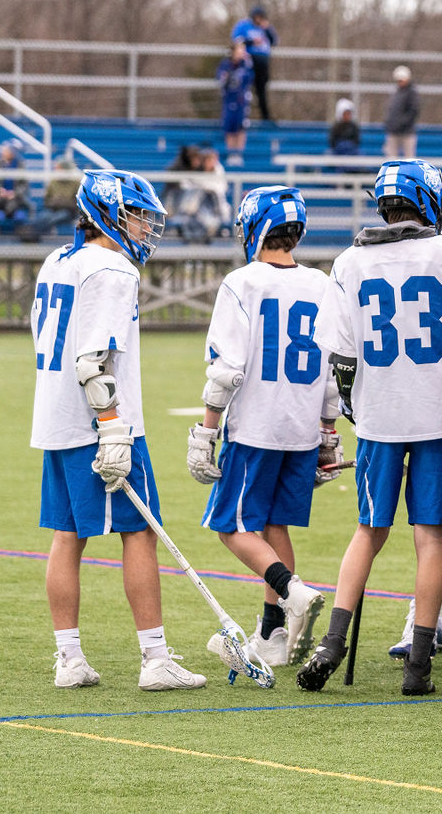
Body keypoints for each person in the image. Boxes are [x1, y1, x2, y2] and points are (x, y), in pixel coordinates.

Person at [298, 159, 442, 697]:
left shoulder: (348, 262)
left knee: (368, 530)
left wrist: (353, 405)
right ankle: (419, 662)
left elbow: (340, 355)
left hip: (378, 414)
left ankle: (332, 645)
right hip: (440, 414)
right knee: (430, 534)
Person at [32, 169, 206, 691]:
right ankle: (155, 659)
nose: (144, 226)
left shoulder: (57, 259)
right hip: (100, 422)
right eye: (136, 215)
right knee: (140, 533)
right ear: (108, 213)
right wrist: (111, 427)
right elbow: (92, 360)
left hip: (57, 419)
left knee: (67, 536)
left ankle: (69, 659)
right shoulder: (112, 268)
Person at [187, 186, 337, 669]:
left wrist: (207, 432)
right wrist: (328, 435)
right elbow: (334, 369)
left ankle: (291, 592)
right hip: (303, 427)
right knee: (275, 525)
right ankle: (272, 633)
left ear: (255, 229)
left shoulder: (242, 282)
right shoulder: (321, 283)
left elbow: (226, 369)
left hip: (256, 426)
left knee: (232, 526)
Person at [230, 6, 276, 121]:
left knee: (261, 89)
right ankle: (241, 116)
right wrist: (251, 42)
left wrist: (267, 29)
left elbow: (274, 41)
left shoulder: (266, 28)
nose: (259, 19)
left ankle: (265, 117)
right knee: (244, 87)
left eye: (261, 17)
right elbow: (237, 41)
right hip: (248, 60)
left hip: (263, 62)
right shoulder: (244, 25)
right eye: (257, 17)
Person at [217, 41, 254, 166]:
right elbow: (222, 79)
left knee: (240, 128)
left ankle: (239, 154)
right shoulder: (226, 65)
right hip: (229, 100)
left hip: (241, 101)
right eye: (239, 50)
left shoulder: (246, 65)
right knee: (229, 128)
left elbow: (249, 78)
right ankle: (231, 154)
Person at [384, 66, 420, 158]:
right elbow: (391, 110)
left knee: (409, 158)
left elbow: (413, 111)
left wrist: (401, 123)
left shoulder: (412, 93)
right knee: (391, 157)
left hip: (407, 132)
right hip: (393, 131)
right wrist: (390, 123)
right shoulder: (396, 92)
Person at [0, 140, 30, 231]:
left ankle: (16, 225)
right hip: (0, 197)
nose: (4, 152)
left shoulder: (20, 165)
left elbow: (24, 185)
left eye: (6, 150)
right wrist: (0, 190)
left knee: (14, 205)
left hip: (15, 198)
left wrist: (14, 193)